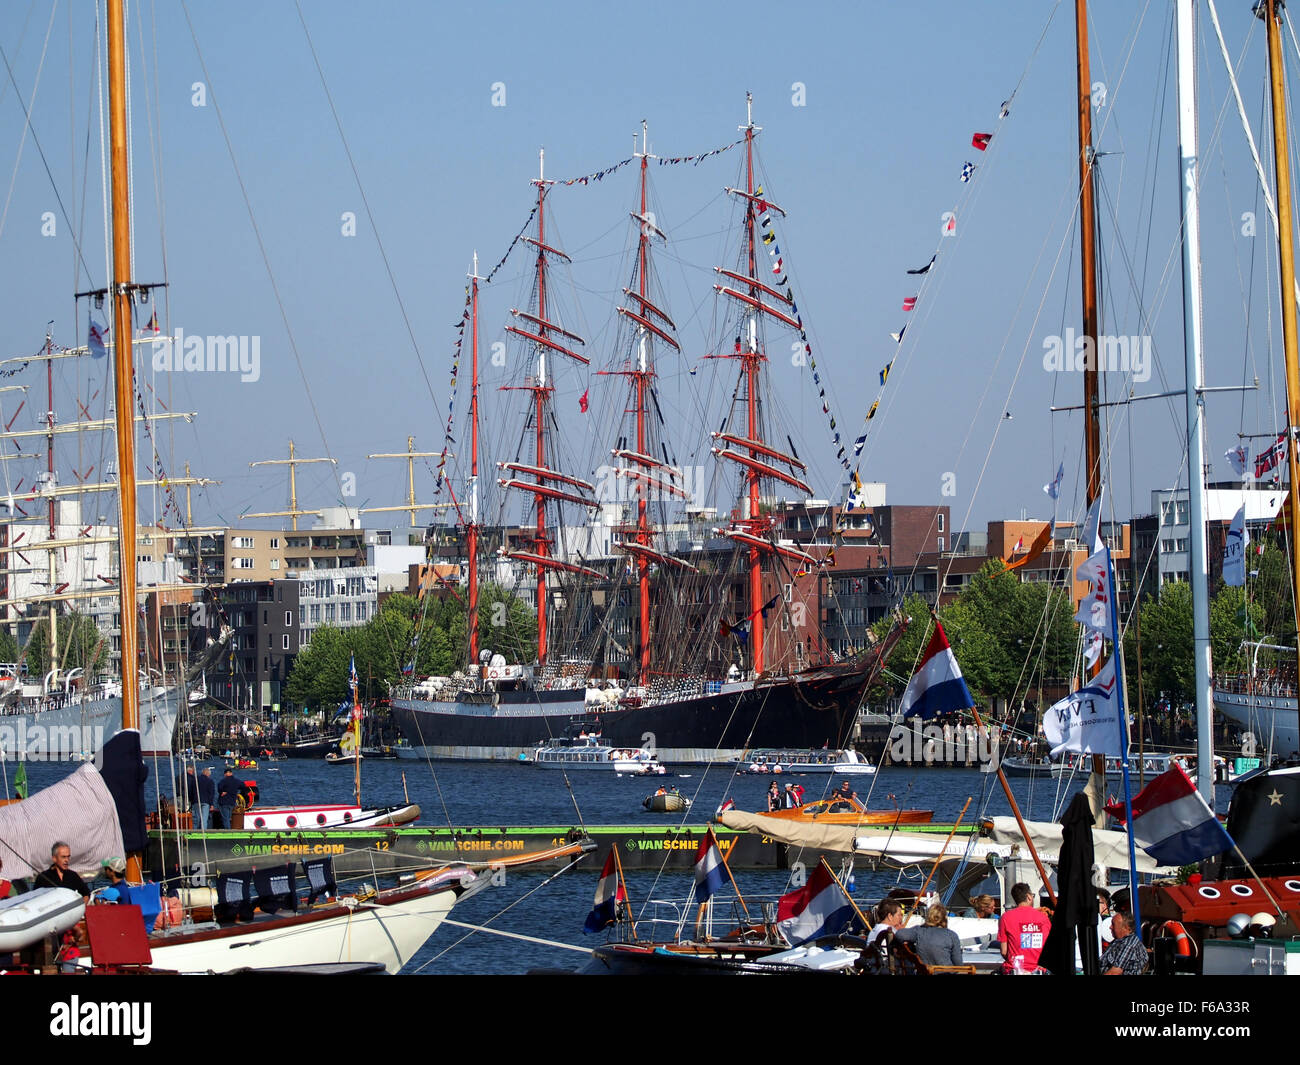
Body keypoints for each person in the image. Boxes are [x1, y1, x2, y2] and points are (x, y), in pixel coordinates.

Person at [998, 882, 1051, 973]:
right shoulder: (1043, 918)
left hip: (1015, 970)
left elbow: (1004, 951)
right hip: (1039, 969)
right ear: (1029, 897)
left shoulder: (1006, 917)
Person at [894, 903, 963, 967]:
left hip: (925, 971)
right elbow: (958, 963)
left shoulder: (919, 931)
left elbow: (900, 934)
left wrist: (912, 945)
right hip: (946, 972)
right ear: (944, 918)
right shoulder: (952, 935)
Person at [1100, 908, 1148, 975]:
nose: (1110, 927)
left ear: (1125, 928)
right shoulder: (1117, 941)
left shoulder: (1129, 945)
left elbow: (1114, 973)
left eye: (1113, 924)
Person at [196, 767, 216, 832]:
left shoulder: (195, 780)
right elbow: (211, 793)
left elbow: (192, 790)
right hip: (206, 802)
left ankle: (196, 831)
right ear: (207, 774)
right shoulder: (210, 781)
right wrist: (211, 804)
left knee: (197, 818)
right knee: (204, 819)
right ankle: (203, 832)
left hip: (196, 801)